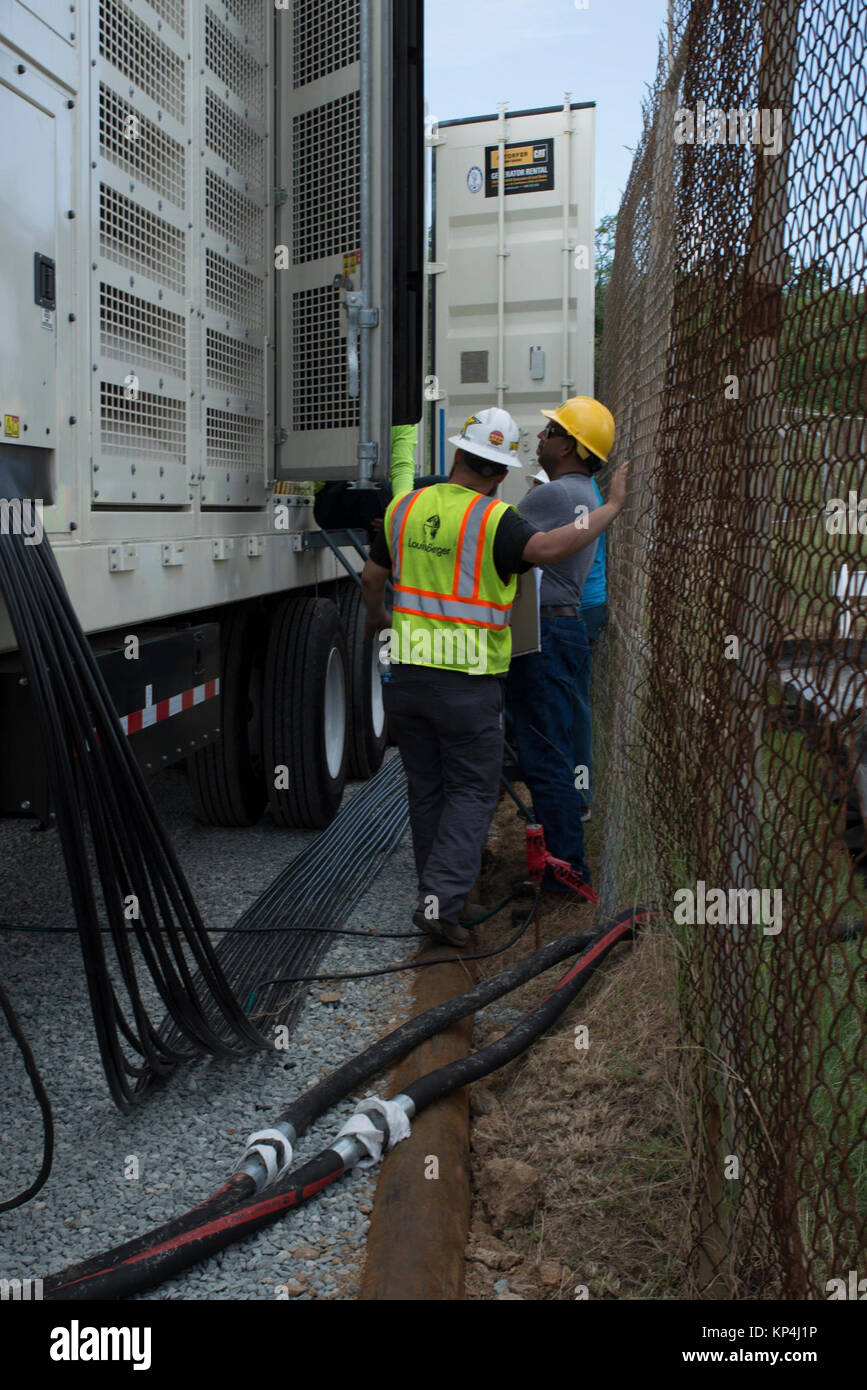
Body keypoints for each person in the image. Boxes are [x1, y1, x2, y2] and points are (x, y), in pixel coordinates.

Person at [361, 406, 628, 947]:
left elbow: (372, 579)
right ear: (501, 474)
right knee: (470, 791)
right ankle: (442, 903)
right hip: (468, 680)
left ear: (458, 454)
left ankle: (441, 899)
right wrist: (615, 506)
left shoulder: (403, 508)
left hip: (408, 676)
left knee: (427, 788)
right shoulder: (495, 520)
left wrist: (382, 620)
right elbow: (551, 548)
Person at [507, 396, 618, 904]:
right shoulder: (581, 491)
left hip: (547, 634)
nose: (541, 438)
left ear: (571, 446)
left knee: (545, 755)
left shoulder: (554, 496)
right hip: (563, 628)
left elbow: (496, 537)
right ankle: (562, 862)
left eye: (550, 431)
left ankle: (566, 871)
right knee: (550, 748)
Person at [311, 424, 418, 540]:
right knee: (376, 486)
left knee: (437, 484)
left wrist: (401, 505)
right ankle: (382, 555)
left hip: (385, 492)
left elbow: (402, 466)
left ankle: (398, 526)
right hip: (332, 499)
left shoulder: (403, 417)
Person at [573, 475, 607, 819]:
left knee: (570, 702)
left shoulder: (572, 494)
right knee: (574, 700)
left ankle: (578, 793)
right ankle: (577, 790)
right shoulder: (588, 490)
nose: (541, 437)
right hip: (588, 605)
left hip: (578, 607)